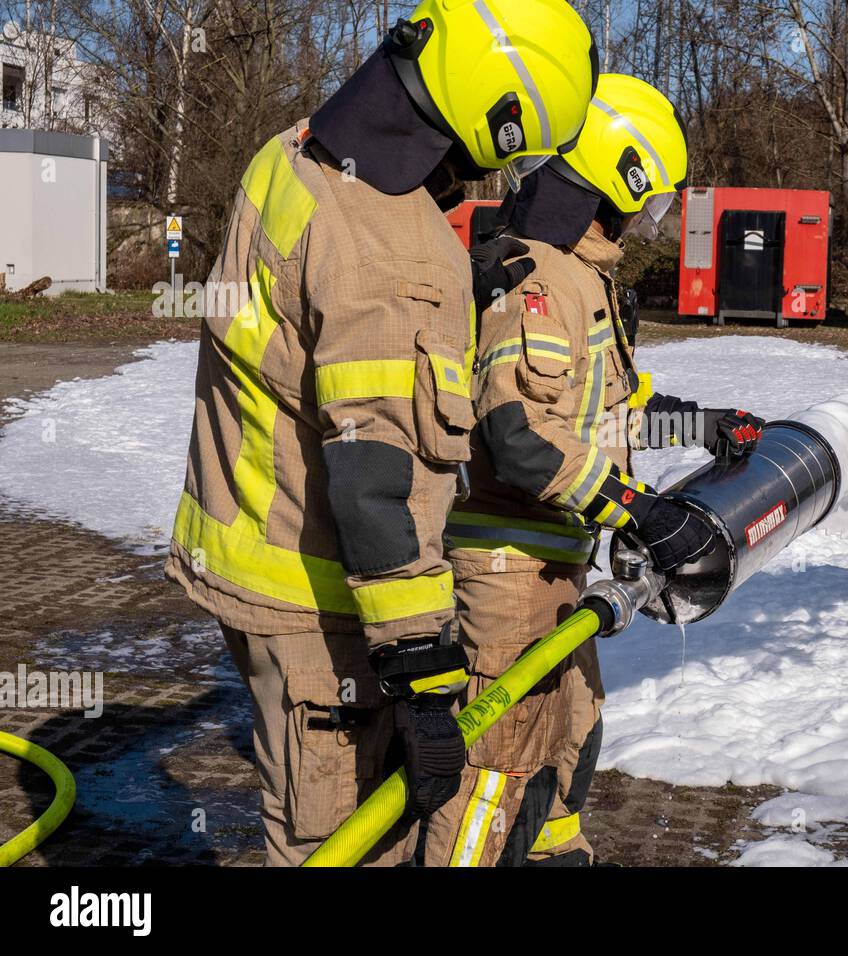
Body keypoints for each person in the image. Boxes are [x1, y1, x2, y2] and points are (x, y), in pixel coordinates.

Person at [164, 0, 597, 866]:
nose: (486, 179)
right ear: (499, 115)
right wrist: (427, 682)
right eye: (497, 155)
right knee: (343, 845)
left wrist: (447, 288)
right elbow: (373, 485)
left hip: (248, 547)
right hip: (319, 602)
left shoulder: (298, 154)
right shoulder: (390, 258)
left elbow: (312, 323)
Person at [429, 74, 766, 866]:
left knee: (573, 730)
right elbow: (518, 437)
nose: (647, 220)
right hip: (505, 561)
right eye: (647, 200)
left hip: (555, 562)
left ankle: (556, 856)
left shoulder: (585, 278)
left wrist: (705, 426)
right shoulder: (533, 277)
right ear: (619, 177)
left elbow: (605, 411)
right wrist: (637, 511)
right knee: (498, 760)